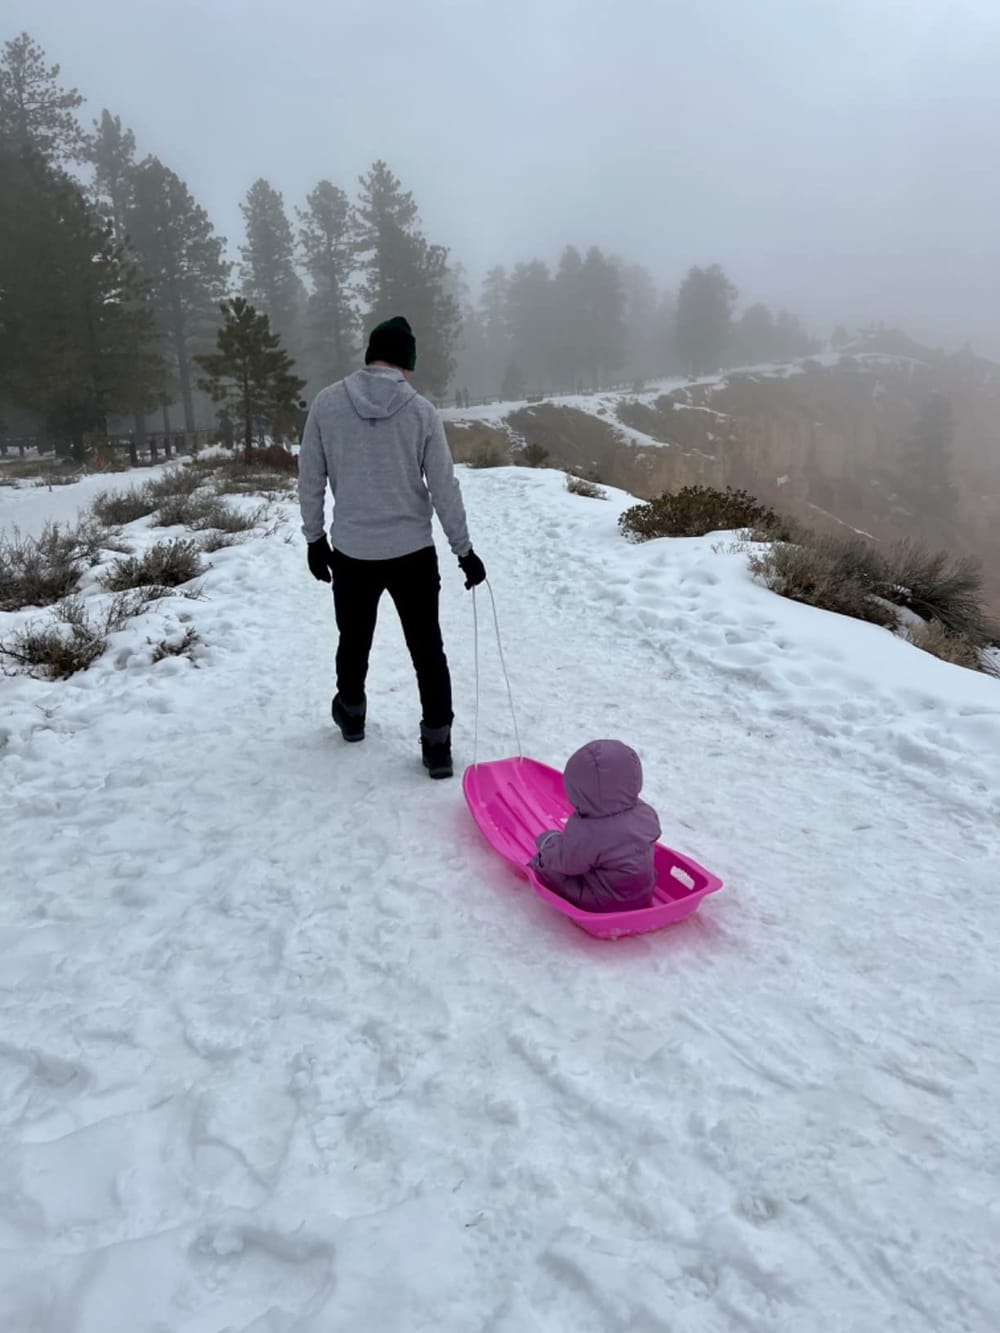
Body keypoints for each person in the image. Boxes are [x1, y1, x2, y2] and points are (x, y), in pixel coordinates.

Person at [297, 315, 486, 779]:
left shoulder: (327, 404)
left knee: (353, 639)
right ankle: (438, 744)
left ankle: (353, 713)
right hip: (412, 554)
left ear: (371, 352)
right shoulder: (420, 411)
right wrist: (464, 550)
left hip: (353, 552)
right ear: (406, 359)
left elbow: (310, 479)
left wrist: (314, 539)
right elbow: (444, 488)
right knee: (427, 649)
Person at [529, 740, 661, 913]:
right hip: (644, 893)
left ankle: (537, 865)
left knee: (546, 867)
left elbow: (567, 862)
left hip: (603, 904)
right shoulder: (645, 812)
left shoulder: (588, 831)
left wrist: (548, 843)